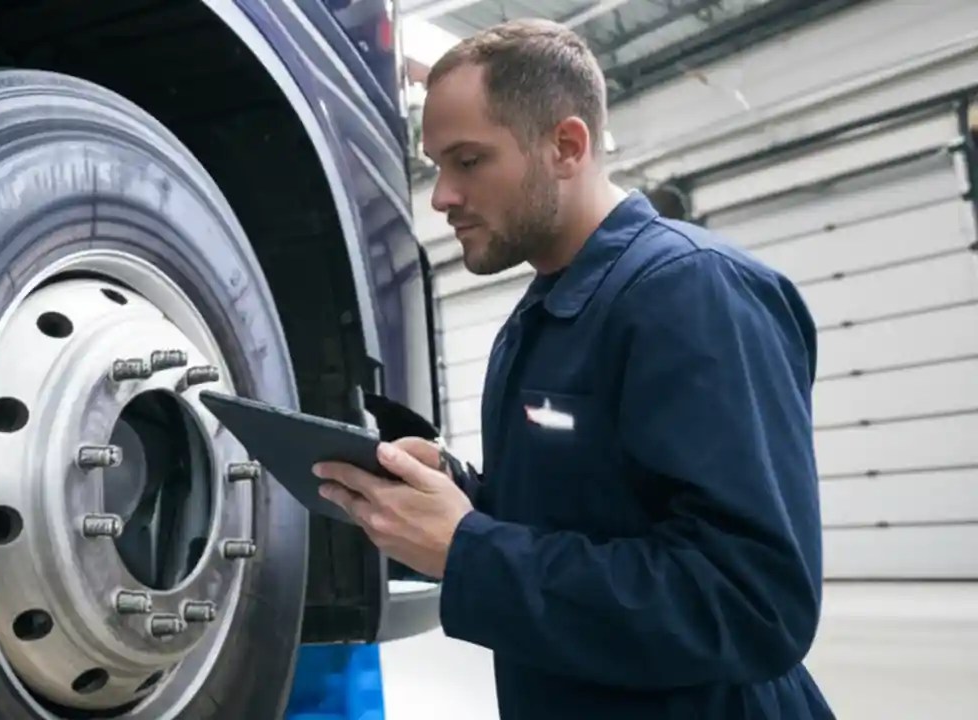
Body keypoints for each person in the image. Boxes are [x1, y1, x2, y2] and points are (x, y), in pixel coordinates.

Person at [311, 18, 836, 720]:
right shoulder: (538, 319)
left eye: (468, 161)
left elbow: (750, 604)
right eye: (436, 166)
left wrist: (469, 549)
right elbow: (594, 519)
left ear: (566, 146)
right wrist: (457, 494)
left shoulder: (692, 292)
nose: (440, 197)